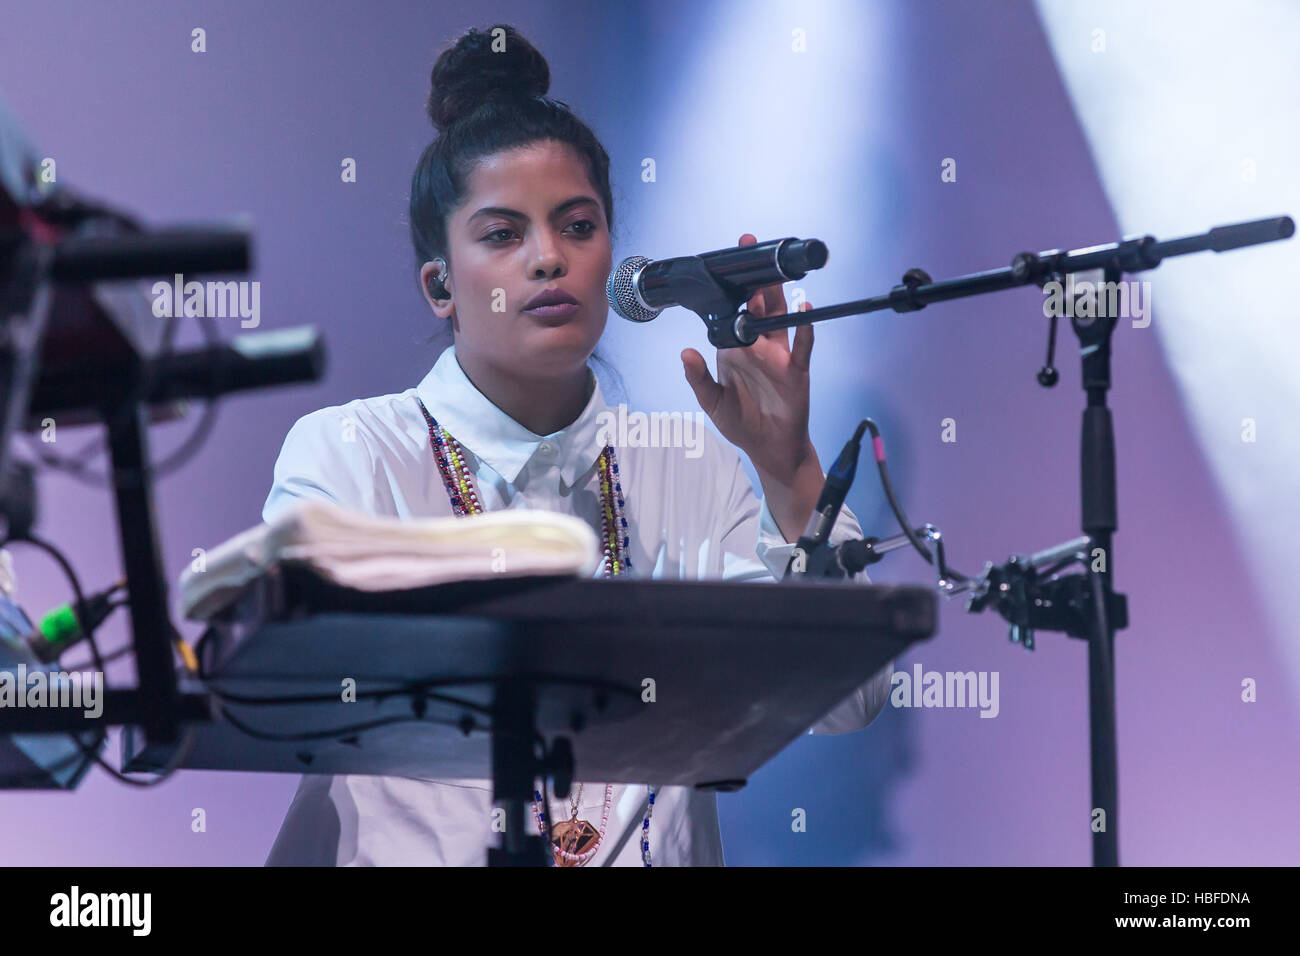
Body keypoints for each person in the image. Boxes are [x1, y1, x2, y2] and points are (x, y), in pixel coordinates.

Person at [261, 23, 893, 867]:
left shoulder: (687, 464)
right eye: (502, 235)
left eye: (579, 226)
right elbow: (299, 691)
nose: (549, 259)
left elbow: (850, 701)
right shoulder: (352, 452)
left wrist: (789, 468)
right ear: (441, 285)